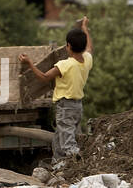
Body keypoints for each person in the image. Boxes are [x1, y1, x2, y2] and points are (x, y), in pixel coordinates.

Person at [20, 17, 93, 165]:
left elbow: (44, 77)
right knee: (60, 138)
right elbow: (90, 47)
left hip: (66, 106)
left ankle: (82, 163)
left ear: (68, 46)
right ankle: (58, 166)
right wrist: (85, 27)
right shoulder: (87, 60)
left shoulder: (65, 65)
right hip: (77, 107)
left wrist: (30, 64)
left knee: (67, 143)